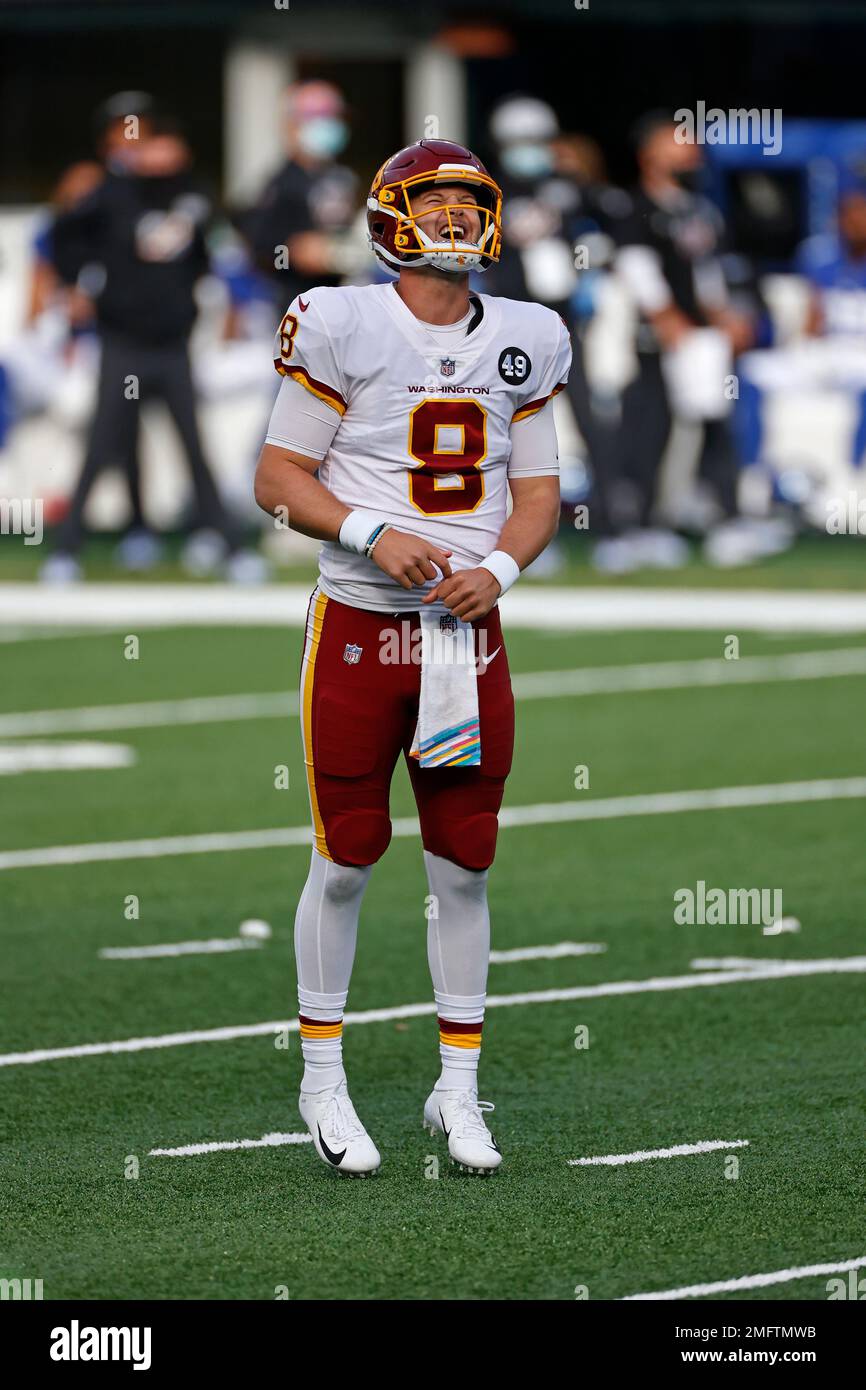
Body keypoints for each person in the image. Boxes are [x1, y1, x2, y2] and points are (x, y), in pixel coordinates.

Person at [254, 138, 571, 1176]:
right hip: (358, 624)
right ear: (392, 220)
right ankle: (321, 1081)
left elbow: (533, 495)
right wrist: (366, 533)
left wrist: (505, 573)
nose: (449, 224)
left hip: (461, 634)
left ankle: (457, 1089)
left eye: (462, 207)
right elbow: (278, 475)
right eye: (431, 208)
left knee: (465, 859)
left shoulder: (527, 335)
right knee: (347, 853)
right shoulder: (340, 319)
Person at [43, 111, 254, 581]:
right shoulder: (112, 194)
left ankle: (230, 545)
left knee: (193, 446)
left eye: (169, 144)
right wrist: (74, 286)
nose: (161, 154)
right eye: (153, 144)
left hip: (173, 345)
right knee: (103, 444)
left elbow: (211, 256)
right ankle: (67, 550)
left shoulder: (194, 197)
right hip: (123, 343)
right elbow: (63, 235)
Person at [610, 112, 765, 570]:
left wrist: (726, 318)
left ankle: (723, 517)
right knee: (649, 429)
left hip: (702, 340)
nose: (690, 153)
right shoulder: (634, 206)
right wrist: (667, 319)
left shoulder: (698, 209)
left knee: (716, 426)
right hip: (658, 340)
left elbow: (710, 272)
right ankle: (636, 527)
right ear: (650, 154)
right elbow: (636, 268)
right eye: (678, 143)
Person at [240, 80, 359, 314]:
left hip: (342, 298)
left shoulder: (342, 178)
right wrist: (292, 251)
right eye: (318, 119)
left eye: (333, 118)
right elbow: (259, 251)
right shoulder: (280, 184)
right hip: (297, 305)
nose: (329, 126)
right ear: (292, 126)